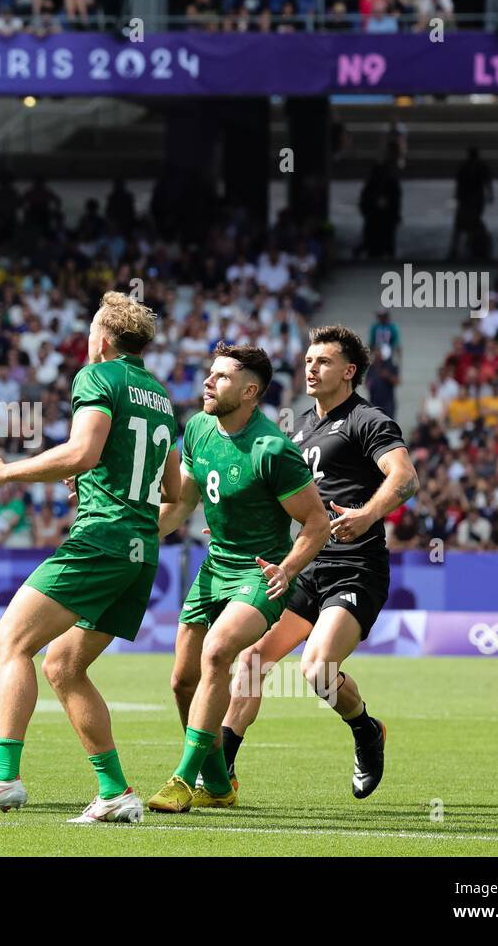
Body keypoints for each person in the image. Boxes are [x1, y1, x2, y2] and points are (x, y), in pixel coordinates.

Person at [0, 292, 181, 825]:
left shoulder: (97, 377)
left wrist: (1, 473)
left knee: (7, 643)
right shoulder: (160, 395)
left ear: (102, 338)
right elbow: (177, 490)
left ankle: (3, 779)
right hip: (139, 550)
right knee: (64, 666)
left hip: (102, 539)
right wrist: (113, 497)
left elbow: (82, 453)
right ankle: (115, 792)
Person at [215, 327, 417, 802]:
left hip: (356, 568)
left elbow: (404, 477)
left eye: (323, 361)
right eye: (308, 359)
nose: (310, 367)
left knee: (317, 670)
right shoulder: (300, 427)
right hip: (304, 565)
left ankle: (365, 728)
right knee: (250, 659)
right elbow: (283, 495)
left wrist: (367, 514)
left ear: (348, 372)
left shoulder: (369, 420)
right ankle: (219, 773)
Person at [147, 344, 329, 814]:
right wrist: (136, 527)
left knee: (218, 651)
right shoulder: (200, 429)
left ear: (250, 391)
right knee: (181, 682)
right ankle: (218, 782)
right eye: (209, 374)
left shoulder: (273, 449)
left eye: (221, 377)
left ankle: (182, 780)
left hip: (260, 573)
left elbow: (317, 522)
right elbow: (183, 503)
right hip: (213, 567)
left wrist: (288, 568)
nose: (207, 382)